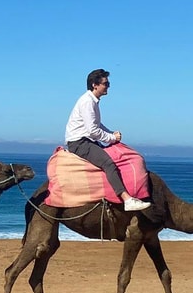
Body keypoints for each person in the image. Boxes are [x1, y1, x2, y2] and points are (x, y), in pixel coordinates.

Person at [65, 69, 151, 212]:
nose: (108, 86)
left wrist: (111, 134)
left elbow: (97, 124)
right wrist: (111, 138)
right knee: (108, 163)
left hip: (86, 140)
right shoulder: (87, 102)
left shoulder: (92, 101)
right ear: (95, 85)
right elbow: (92, 130)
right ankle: (127, 200)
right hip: (80, 142)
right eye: (106, 83)